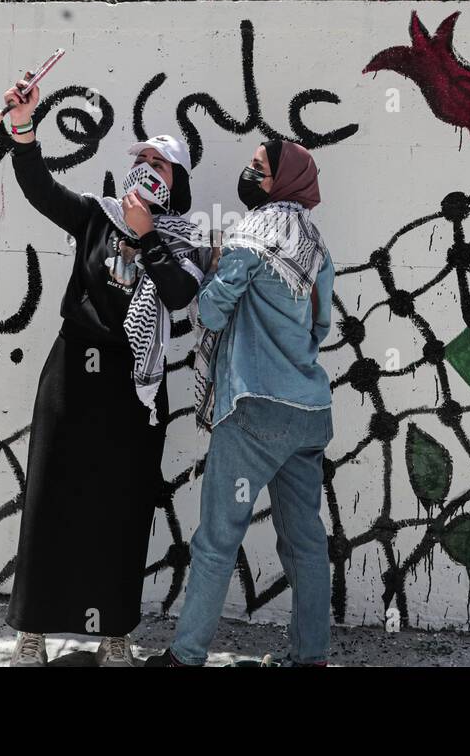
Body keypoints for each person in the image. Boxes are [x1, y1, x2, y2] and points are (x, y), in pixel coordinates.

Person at [0, 71, 211, 666]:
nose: (147, 168)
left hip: (134, 392)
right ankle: (33, 631)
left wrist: (148, 240)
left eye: (159, 163)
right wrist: (24, 126)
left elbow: (176, 297)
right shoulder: (97, 215)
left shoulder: (184, 242)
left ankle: (115, 631)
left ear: (178, 181)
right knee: (50, 502)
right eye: (141, 158)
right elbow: (40, 187)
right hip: (72, 379)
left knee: (122, 508)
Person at [146, 139, 336, 667]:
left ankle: (185, 656)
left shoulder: (252, 237)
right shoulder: (315, 246)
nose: (248, 174)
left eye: (259, 169)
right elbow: (320, 327)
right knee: (305, 544)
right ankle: (311, 657)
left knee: (216, 540)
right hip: (308, 413)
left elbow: (208, 312)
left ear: (282, 181)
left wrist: (211, 269)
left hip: (252, 409)